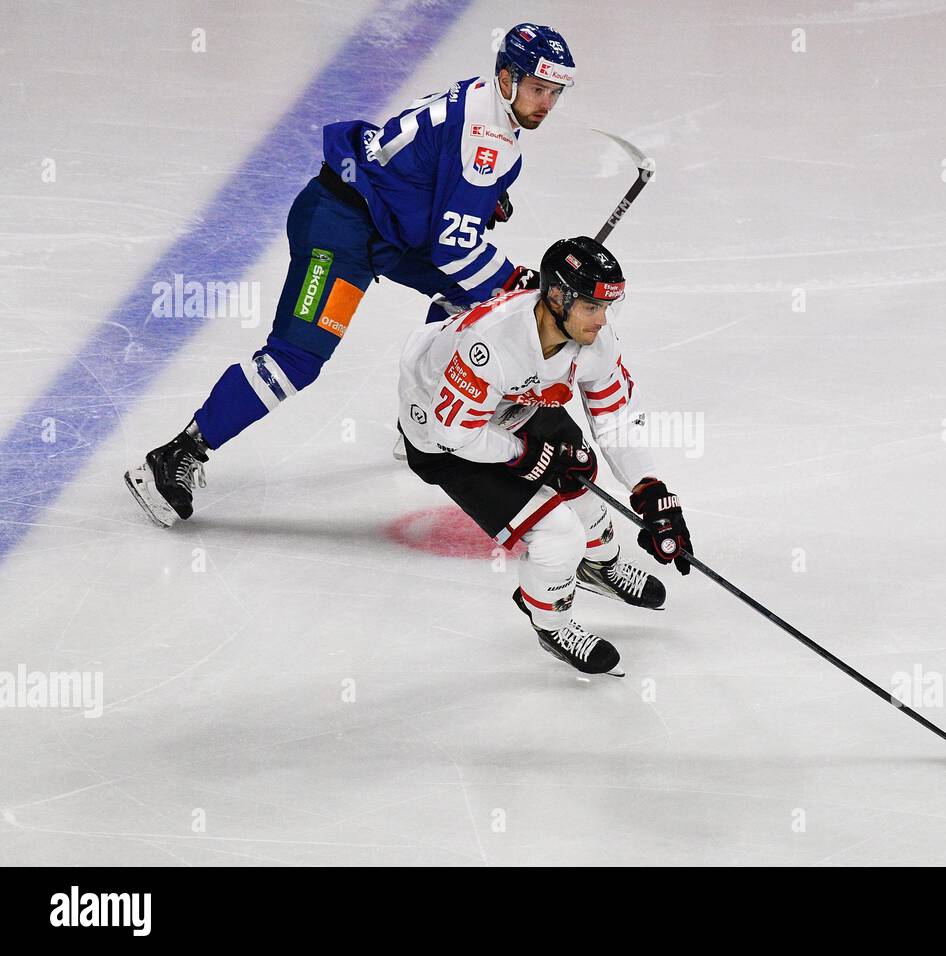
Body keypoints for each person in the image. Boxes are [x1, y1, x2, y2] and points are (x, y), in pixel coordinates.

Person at [126, 23, 576, 527]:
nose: (547, 104)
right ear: (507, 77)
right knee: (297, 358)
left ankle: (423, 426)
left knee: (469, 300)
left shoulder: (481, 101)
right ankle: (174, 455)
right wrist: (515, 282)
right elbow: (454, 248)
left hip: (381, 227)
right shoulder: (489, 135)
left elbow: (421, 165)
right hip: (339, 230)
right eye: (539, 89)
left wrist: (473, 204)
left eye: (555, 92)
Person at [398, 236, 693, 676]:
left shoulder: (594, 338)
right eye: (592, 306)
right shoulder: (491, 344)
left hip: (513, 405)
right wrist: (526, 456)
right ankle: (551, 622)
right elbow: (455, 435)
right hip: (443, 436)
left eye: (608, 307)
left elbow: (613, 419)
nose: (602, 320)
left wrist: (650, 489)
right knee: (557, 536)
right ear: (557, 297)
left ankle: (601, 566)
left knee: (580, 473)